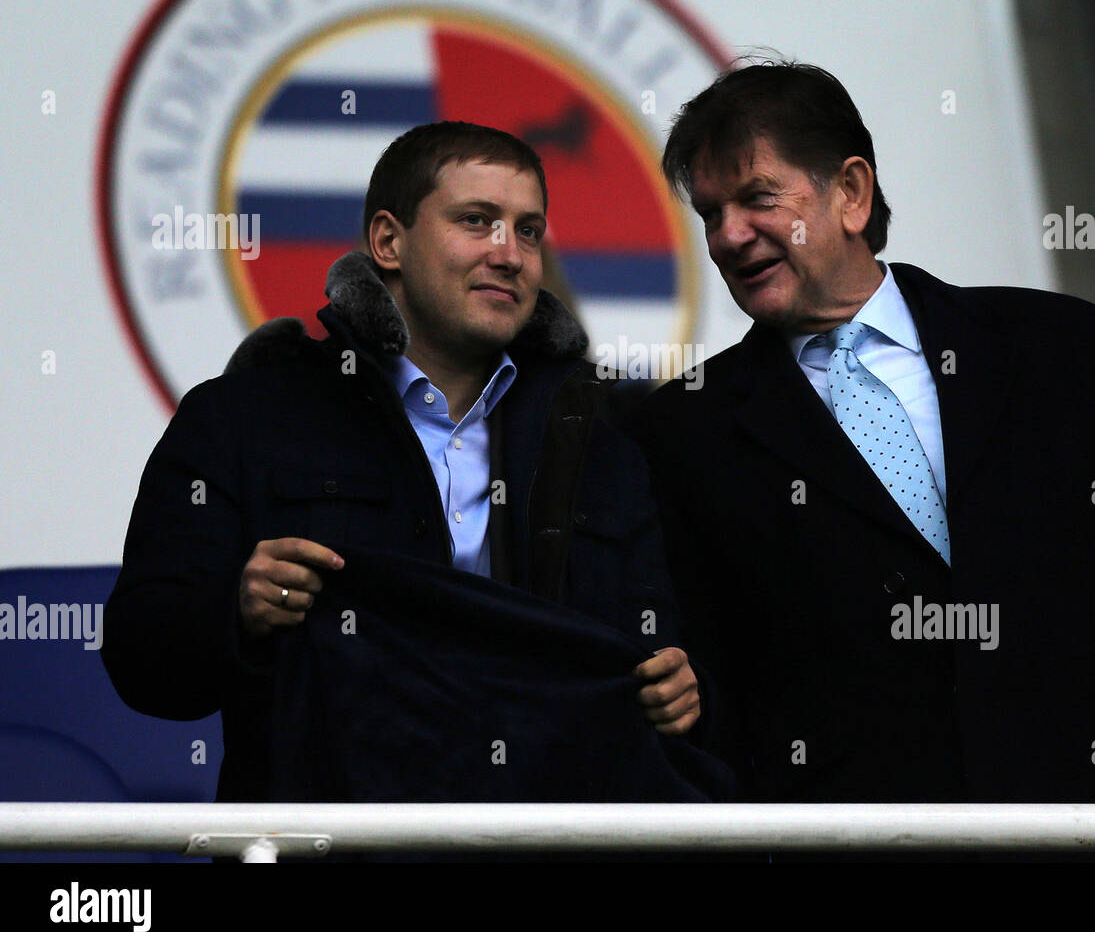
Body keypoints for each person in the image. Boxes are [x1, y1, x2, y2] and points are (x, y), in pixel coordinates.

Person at [633, 61, 1095, 812]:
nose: (728, 236)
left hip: (1092, 819)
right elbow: (715, 682)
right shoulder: (685, 426)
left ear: (850, 193)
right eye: (711, 213)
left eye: (756, 199)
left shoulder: (1059, 349)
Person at [102, 121, 714, 808]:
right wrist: (238, 613)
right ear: (388, 241)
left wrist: (680, 685)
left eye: (529, 230)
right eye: (477, 222)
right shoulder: (243, 418)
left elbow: (662, 650)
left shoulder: (602, 440)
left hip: (543, 852)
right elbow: (141, 660)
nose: (509, 254)